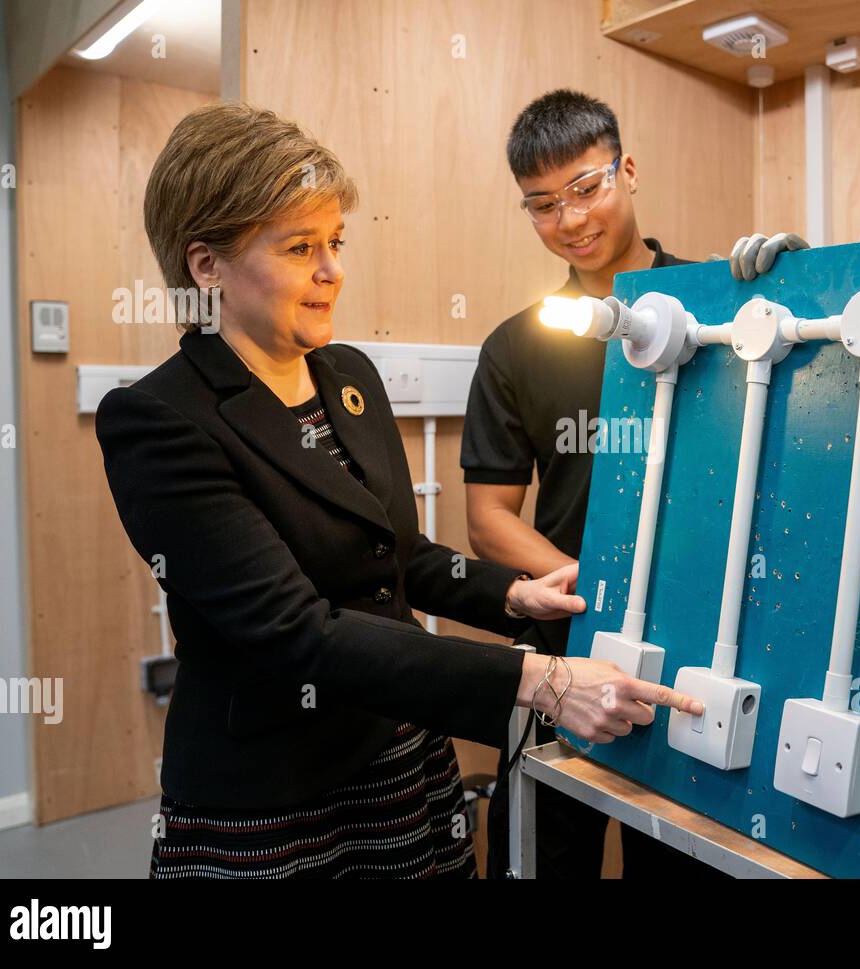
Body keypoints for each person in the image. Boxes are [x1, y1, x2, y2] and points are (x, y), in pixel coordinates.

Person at [95, 101, 702, 879]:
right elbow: (296, 633)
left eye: (336, 242)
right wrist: (539, 677)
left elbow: (403, 556)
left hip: (403, 762)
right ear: (205, 264)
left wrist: (517, 596)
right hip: (271, 801)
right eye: (300, 248)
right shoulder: (159, 420)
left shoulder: (346, 378)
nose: (331, 271)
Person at [462, 89, 804, 878]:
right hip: (569, 641)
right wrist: (589, 591)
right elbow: (488, 519)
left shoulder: (725, 301)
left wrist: (798, 276)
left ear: (629, 170)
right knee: (546, 847)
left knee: (683, 850)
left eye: (588, 188)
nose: (572, 221)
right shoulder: (517, 347)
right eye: (543, 206)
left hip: (702, 635)